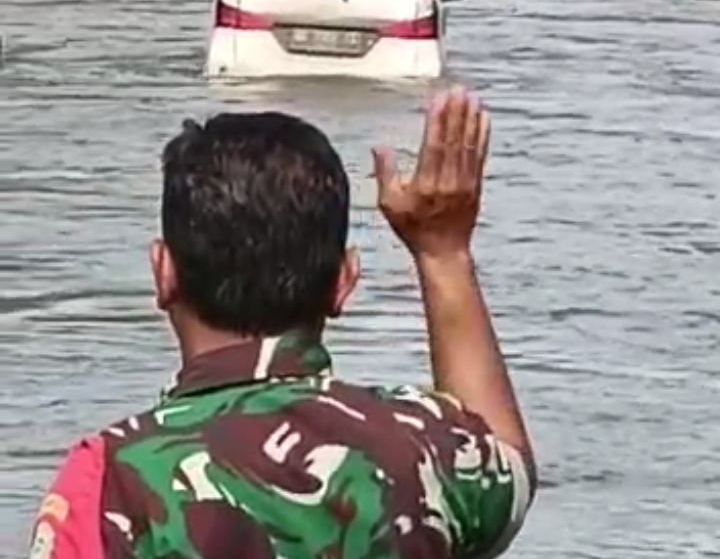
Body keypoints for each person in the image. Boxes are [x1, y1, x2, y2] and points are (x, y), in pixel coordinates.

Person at [28, 90, 537, 559]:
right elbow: (507, 463)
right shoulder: (422, 448)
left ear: (164, 274)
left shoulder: (108, 482)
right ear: (343, 282)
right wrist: (442, 252)